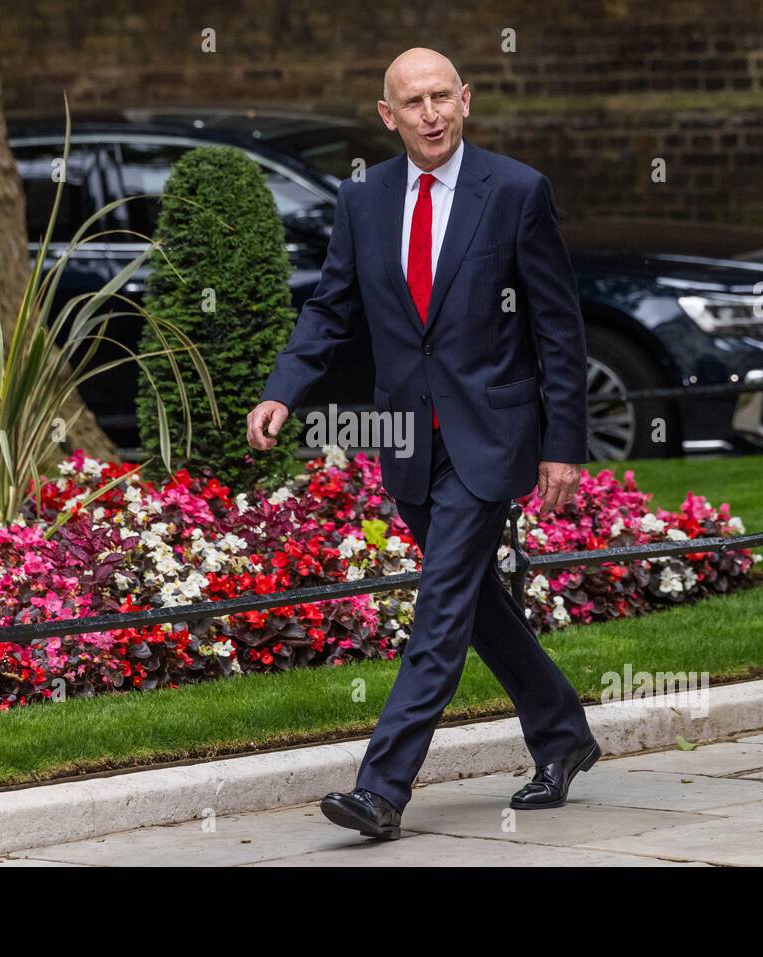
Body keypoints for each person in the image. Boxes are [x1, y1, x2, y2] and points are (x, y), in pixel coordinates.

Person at [246, 47, 600, 840]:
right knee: (473, 602)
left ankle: (382, 788)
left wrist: (563, 443)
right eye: (415, 102)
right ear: (388, 116)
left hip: (491, 435)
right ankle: (564, 733)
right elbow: (331, 306)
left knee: (440, 609)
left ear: (466, 101)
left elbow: (558, 328)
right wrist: (282, 389)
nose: (432, 113)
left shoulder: (515, 191)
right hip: (407, 438)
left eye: (444, 96)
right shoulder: (363, 196)